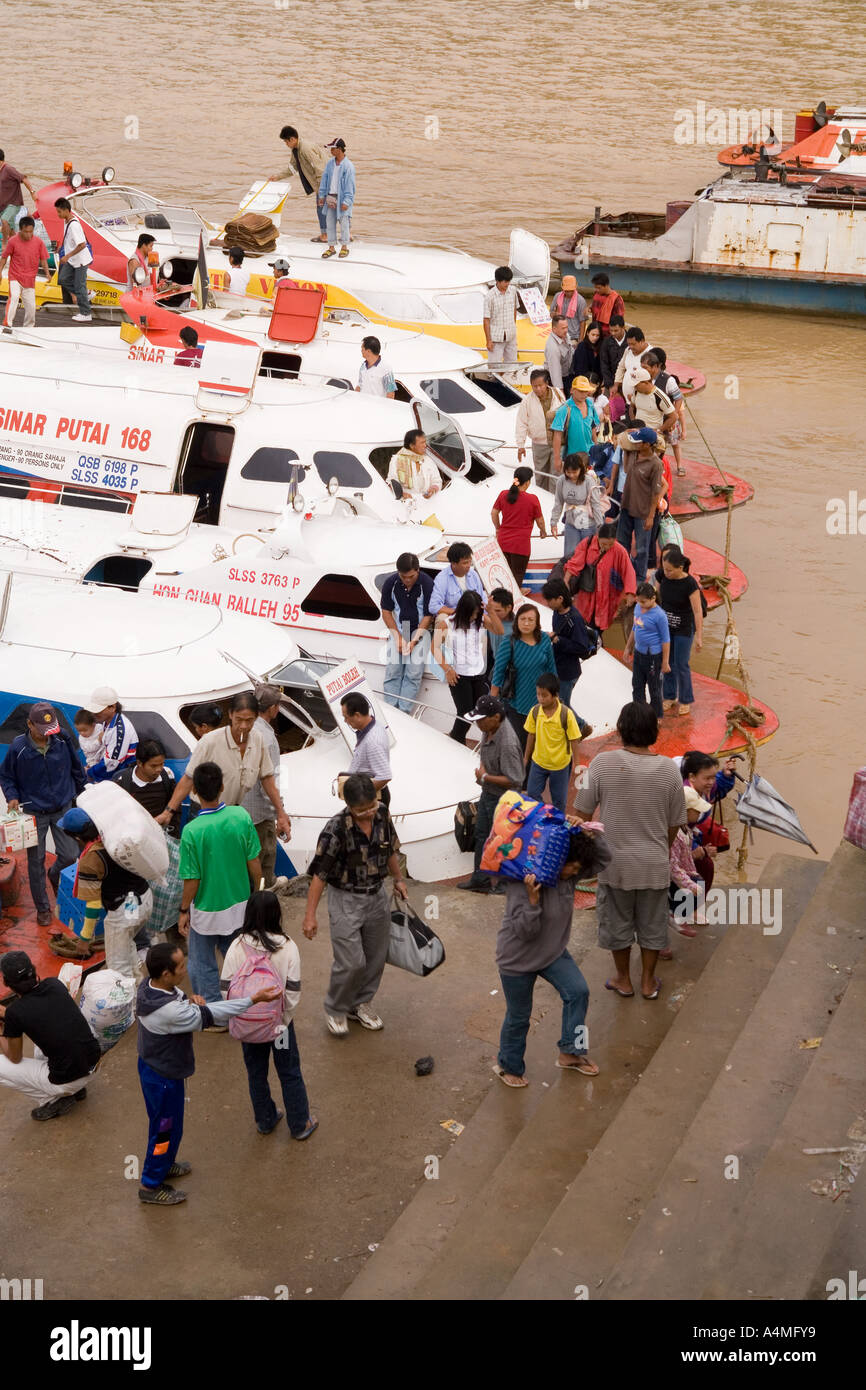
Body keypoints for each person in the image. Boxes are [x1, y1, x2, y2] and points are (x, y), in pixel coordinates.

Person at [136, 941, 281, 1204]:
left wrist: (190, 1000)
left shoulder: (149, 986)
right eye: (181, 966)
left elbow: (182, 1003)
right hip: (163, 1080)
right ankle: (150, 1184)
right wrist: (253, 999)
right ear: (165, 973)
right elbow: (214, 1012)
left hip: (156, 1071)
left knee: (169, 1127)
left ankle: (164, 1163)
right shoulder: (169, 1012)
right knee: (165, 1130)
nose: (186, 969)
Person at [574, 701, 686, 1001]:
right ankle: (648, 983)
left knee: (616, 923)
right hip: (653, 864)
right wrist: (657, 845)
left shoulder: (601, 764)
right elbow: (675, 825)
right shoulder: (669, 771)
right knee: (652, 925)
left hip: (614, 864)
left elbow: (581, 814)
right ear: (654, 731)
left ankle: (623, 979)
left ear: (621, 730)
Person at [493, 831, 607, 1087]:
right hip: (517, 959)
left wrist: (589, 833)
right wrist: (533, 902)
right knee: (519, 1016)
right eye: (572, 865)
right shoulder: (522, 883)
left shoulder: (569, 876)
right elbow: (525, 932)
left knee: (579, 991)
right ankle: (508, 1065)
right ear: (555, 860)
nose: (576, 871)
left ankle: (571, 1052)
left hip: (552, 952)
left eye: (579, 866)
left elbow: (602, 859)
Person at [302, 772, 408, 1036]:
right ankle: (336, 1007)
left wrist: (398, 879)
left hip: (377, 895)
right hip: (345, 900)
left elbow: (391, 849)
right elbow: (319, 875)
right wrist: (310, 916)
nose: (369, 813)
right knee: (351, 962)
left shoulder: (381, 813)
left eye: (372, 806)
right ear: (349, 805)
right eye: (362, 811)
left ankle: (361, 1004)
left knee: (376, 956)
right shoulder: (335, 829)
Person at [221, 892, 317, 1140]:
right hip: (279, 1028)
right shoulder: (288, 946)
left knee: (256, 1072)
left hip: (249, 1027)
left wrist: (242, 1015)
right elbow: (293, 992)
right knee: (289, 1071)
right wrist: (282, 1021)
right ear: (277, 914)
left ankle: (265, 1120)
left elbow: (225, 988)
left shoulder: (236, 945)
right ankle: (300, 1123)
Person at [177, 761, 262, 1005]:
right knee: (237, 956)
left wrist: (184, 910)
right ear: (222, 786)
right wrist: (259, 891)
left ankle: (214, 1011)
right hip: (240, 903)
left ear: (194, 792)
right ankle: (246, 998)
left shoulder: (192, 831)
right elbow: (253, 860)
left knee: (202, 962)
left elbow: (192, 879)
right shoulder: (240, 815)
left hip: (207, 910)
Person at [157, 691, 291, 841]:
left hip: (233, 816)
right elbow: (189, 778)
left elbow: (267, 778)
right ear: (230, 715)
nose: (243, 726)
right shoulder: (209, 741)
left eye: (249, 721)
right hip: (205, 812)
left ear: (256, 718)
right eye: (239, 720)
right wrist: (168, 811)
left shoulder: (258, 739)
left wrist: (281, 813)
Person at [0, 701, 85, 928]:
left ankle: (55, 874)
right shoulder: (18, 748)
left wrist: (82, 793)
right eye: (42, 729)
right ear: (29, 724)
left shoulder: (62, 739)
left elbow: (76, 768)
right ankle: (43, 908)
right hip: (34, 811)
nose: (48, 735)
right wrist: (12, 797)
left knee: (69, 854)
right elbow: (6, 777)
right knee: (35, 861)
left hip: (63, 807)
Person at [0, 951, 101, 1120]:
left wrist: (3, 1031)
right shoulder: (54, 984)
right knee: (55, 1031)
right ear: (33, 970)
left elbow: (14, 1057)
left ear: (6, 983)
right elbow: (42, 1013)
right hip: (93, 1063)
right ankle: (76, 1090)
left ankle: (54, 1099)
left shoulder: (15, 1013)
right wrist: (9, 1017)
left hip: (68, 1079)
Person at [62, 805, 152, 973]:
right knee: (127, 943)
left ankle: (129, 996)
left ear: (74, 836)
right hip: (144, 898)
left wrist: (85, 937)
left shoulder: (90, 860)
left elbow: (94, 903)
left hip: (123, 911)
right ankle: (137, 982)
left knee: (117, 968)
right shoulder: (114, 836)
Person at [114, 739, 184, 943]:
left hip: (162, 846)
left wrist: (171, 834)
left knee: (168, 892)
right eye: (154, 765)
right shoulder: (122, 781)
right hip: (134, 853)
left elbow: (175, 807)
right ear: (139, 763)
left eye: (161, 764)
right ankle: (137, 938)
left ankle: (175, 937)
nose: (158, 769)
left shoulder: (166, 777)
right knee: (132, 895)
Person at [457, 695, 524, 894]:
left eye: (481, 719)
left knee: (503, 840)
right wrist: (484, 774)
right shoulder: (488, 730)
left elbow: (515, 779)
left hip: (505, 799)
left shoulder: (508, 743)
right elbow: (484, 757)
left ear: (496, 717)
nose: (478, 724)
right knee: (482, 835)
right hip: (488, 793)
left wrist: (485, 776)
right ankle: (480, 878)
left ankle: (504, 885)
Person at [239, 684, 289, 891]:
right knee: (263, 855)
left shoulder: (244, 729)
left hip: (241, 807)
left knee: (246, 856)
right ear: (273, 709)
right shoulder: (268, 739)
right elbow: (268, 782)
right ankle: (265, 889)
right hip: (259, 813)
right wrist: (280, 812)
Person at [490, 602, 556, 750]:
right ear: (517, 620)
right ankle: (522, 772)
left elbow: (551, 668)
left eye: (530, 620)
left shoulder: (544, 640)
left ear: (537, 622)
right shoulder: (509, 642)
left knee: (542, 743)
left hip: (542, 700)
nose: (526, 623)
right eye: (522, 619)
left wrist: (555, 696)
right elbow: (498, 671)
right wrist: (493, 699)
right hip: (517, 701)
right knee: (522, 743)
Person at [380, 551, 434, 713]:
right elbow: (386, 612)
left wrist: (414, 641)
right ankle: (390, 711)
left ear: (417, 570)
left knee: (414, 672)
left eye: (411, 576)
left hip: (421, 629)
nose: (407, 580)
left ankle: (403, 711)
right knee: (393, 670)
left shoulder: (427, 583)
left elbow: (428, 615)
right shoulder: (391, 583)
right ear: (398, 573)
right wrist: (397, 638)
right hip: (400, 627)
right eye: (403, 577)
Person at [433, 590, 489, 744]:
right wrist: (447, 669)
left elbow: (499, 630)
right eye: (473, 613)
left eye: (478, 613)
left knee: (479, 711)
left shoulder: (481, 620)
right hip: (458, 674)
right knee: (464, 712)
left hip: (478, 672)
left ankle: (456, 738)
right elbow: (434, 648)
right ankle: (457, 742)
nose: (475, 617)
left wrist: (490, 613)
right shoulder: (447, 624)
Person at [653, 545, 703, 716]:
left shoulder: (689, 584)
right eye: (664, 569)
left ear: (680, 568)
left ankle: (686, 699)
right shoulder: (662, 575)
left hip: (683, 628)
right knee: (666, 662)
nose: (666, 573)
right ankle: (669, 696)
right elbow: (656, 599)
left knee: (681, 664)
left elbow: (697, 611)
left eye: (670, 571)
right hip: (666, 628)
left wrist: (699, 637)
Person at [563, 521, 636, 634]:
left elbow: (628, 572)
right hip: (587, 594)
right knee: (584, 623)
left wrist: (631, 593)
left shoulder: (620, 551)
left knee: (600, 627)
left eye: (610, 544)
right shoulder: (586, 544)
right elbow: (575, 563)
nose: (606, 547)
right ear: (598, 537)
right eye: (603, 544)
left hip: (607, 596)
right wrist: (566, 580)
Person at [524, 673, 582, 813]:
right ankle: (544, 814)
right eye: (538, 694)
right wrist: (526, 757)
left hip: (560, 765)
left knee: (559, 802)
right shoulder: (535, 712)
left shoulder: (566, 714)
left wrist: (577, 763)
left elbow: (574, 739)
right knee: (532, 794)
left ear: (555, 695)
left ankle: (556, 827)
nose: (540, 698)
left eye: (544, 695)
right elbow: (531, 735)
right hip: (539, 762)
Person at [615, 427, 665, 583]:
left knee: (642, 549)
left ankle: (639, 577)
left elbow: (656, 492)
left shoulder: (656, 464)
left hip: (643, 512)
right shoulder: (632, 454)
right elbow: (623, 439)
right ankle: (624, 573)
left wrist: (650, 516)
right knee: (622, 544)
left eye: (639, 442)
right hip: (626, 507)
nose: (635, 443)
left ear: (647, 445)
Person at [540, 577, 593, 709]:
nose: (547, 603)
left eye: (549, 600)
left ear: (560, 599)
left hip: (568, 672)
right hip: (558, 667)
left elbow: (582, 647)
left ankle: (581, 726)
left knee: (561, 707)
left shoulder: (575, 619)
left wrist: (559, 640)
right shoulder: (557, 612)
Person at [669, 784, 713, 936]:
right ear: (685, 812)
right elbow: (672, 866)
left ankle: (676, 914)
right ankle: (673, 915)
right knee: (696, 887)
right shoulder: (675, 835)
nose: (699, 813)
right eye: (696, 810)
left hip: (684, 869)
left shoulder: (685, 828)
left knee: (698, 882)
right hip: (671, 876)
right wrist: (687, 883)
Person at [490, 467, 547, 585]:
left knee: (506, 574)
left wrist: (498, 528)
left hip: (503, 542)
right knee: (518, 575)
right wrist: (543, 531)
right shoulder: (532, 499)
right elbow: (540, 520)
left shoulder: (503, 494)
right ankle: (516, 595)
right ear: (527, 482)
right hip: (520, 545)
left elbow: (494, 513)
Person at [624, 582, 671, 717]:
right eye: (639, 601)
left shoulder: (660, 615)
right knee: (637, 686)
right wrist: (628, 648)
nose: (641, 605)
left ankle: (657, 716)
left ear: (653, 599)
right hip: (639, 654)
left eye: (644, 602)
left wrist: (665, 661)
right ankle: (640, 715)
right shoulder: (638, 608)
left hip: (653, 657)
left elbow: (666, 639)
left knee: (654, 689)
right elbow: (635, 627)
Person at [274, 124, 327, 241]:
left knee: (323, 208)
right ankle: (333, 234)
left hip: (326, 181)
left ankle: (326, 236)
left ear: (292, 139)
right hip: (322, 183)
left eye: (286, 142)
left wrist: (321, 191)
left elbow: (320, 169)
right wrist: (277, 177)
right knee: (326, 208)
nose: (286, 144)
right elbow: (293, 168)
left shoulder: (306, 149)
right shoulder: (296, 150)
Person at [516, 367, 565, 490]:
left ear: (547, 383)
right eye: (534, 386)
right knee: (540, 476)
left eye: (540, 385)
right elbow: (521, 423)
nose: (537, 389)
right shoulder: (527, 400)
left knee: (556, 475)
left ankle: (554, 502)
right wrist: (520, 445)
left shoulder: (558, 393)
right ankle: (542, 501)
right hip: (539, 443)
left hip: (558, 442)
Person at [550, 451, 604, 558]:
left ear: (581, 469)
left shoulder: (589, 481)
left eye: (574, 472)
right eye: (568, 472)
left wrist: (600, 526)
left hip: (588, 524)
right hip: (571, 523)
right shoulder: (561, 481)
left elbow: (596, 505)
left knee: (588, 556)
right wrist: (553, 522)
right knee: (570, 555)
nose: (571, 475)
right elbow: (558, 502)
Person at [0, 215, 50, 328]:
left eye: (31, 232)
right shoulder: (13, 241)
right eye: (26, 232)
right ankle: (7, 324)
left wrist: (47, 273)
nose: (28, 234)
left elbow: (43, 259)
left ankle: (28, 327)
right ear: (20, 230)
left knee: (32, 307)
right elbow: (4, 257)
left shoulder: (39, 242)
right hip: (15, 277)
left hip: (30, 279)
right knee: (14, 298)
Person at [341, 692, 392, 800]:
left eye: (346, 717)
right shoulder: (375, 725)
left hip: (371, 801)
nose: (345, 721)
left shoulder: (373, 741)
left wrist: (360, 796)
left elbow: (384, 776)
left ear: (357, 715)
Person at [646, 349, 688, 475]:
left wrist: (674, 416)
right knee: (656, 445)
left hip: (668, 418)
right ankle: (657, 467)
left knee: (674, 443)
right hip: (654, 418)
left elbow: (678, 398)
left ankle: (680, 465)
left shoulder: (668, 380)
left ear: (657, 365)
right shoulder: (645, 378)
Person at [53, 197, 93, 322]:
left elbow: (82, 244)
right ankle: (85, 293)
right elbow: (69, 240)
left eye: (59, 212)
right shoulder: (66, 221)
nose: (58, 214)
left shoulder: (74, 225)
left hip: (79, 260)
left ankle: (86, 313)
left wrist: (67, 255)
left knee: (79, 285)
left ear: (66, 210)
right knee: (63, 279)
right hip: (72, 259)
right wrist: (61, 248)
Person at [86, 686, 138, 781]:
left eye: (98, 710)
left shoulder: (119, 730)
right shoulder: (107, 722)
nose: (94, 713)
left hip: (120, 776)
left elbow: (110, 763)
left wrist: (89, 772)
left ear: (112, 707)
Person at [551, 377, 599, 476]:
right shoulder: (564, 409)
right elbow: (557, 435)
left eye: (586, 391)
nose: (584, 394)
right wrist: (557, 459)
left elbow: (592, 426)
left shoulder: (590, 404)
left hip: (590, 454)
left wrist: (596, 446)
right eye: (581, 391)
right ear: (572, 390)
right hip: (572, 457)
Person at [318, 138, 355, 259]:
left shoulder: (348, 166)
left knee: (344, 223)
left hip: (342, 198)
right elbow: (324, 180)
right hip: (330, 197)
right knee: (330, 222)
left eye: (333, 149)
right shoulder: (330, 163)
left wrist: (347, 201)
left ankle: (344, 247)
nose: (331, 151)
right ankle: (331, 247)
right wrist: (322, 195)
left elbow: (350, 186)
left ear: (339, 149)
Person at [428, 541, 486, 617]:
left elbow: (483, 600)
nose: (469, 565)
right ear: (454, 563)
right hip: (453, 617)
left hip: (475, 616)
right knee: (441, 617)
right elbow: (433, 607)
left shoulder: (474, 574)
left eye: (470, 562)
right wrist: (459, 612)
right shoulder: (442, 578)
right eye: (465, 563)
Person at [387, 428, 441, 502]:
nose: (425, 445)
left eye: (425, 442)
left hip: (428, 503)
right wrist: (402, 494)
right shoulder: (396, 460)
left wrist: (433, 489)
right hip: (406, 503)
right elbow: (391, 482)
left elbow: (437, 481)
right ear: (412, 446)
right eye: (422, 443)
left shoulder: (428, 460)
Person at [483, 266, 518, 365]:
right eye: (505, 282)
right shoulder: (489, 297)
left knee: (512, 363)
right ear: (497, 281)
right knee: (494, 365)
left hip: (511, 335)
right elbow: (486, 320)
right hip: (496, 337)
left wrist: (513, 327)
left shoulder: (513, 291)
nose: (507, 284)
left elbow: (514, 309)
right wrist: (488, 340)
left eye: (509, 281)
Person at [0, 151, 37, 246]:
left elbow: (24, 179)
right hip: (4, 206)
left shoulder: (8, 169)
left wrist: (32, 192)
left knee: (4, 220)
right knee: (11, 230)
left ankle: (5, 244)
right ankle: (20, 247)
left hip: (13, 203)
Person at [613, 326, 653, 412]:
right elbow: (621, 367)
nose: (630, 347)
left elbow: (653, 379)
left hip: (643, 404)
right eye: (629, 344)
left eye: (633, 344)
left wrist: (637, 399)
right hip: (628, 402)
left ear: (642, 341)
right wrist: (616, 384)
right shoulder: (628, 350)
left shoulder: (651, 353)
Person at [630, 367, 677, 436]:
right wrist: (633, 422)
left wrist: (659, 430)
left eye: (636, 385)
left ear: (645, 382)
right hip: (638, 432)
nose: (634, 387)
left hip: (652, 435)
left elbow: (674, 417)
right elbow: (631, 407)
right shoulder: (636, 392)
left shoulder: (660, 397)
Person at [550, 274, 588, 342]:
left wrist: (581, 339)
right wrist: (555, 314)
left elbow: (583, 321)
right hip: (559, 335)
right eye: (567, 291)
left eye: (571, 291)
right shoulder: (557, 296)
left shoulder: (580, 301)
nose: (569, 293)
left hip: (573, 336)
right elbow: (551, 314)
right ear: (563, 288)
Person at [543, 314, 573, 393]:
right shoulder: (552, 347)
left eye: (566, 327)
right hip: (558, 380)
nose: (566, 330)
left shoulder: (565, 335)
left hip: (568, 376)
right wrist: (561, 394)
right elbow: (555, 374)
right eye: (563, 328)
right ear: (554, 329)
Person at [600, 315, 628, 393]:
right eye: (611, 330)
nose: (613, 333)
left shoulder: (631, 341)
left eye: (616, 330)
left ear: (623, 327)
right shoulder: (606, 342)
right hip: (611, 383)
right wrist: (610, 385)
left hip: (627, 383)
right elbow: (604, 365)